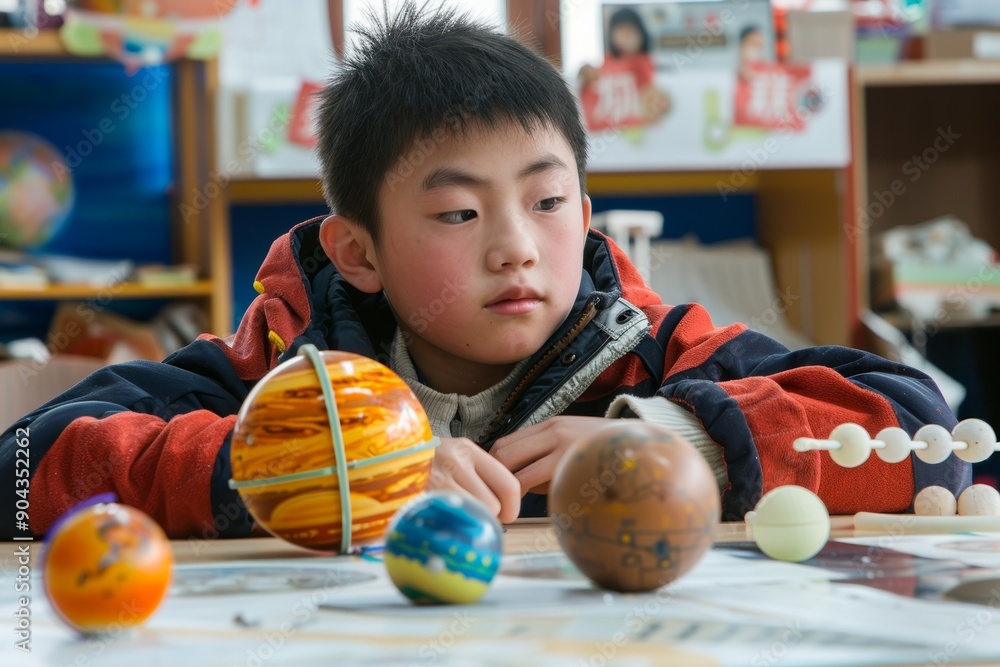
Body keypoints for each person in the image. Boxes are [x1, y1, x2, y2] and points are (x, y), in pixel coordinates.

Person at [0, 3, 970, 540]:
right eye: (459, 213)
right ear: (359, 252)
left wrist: (677, 443)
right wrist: (316, 467)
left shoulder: (656, 355)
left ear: (584, 214)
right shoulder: (282, 371)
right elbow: (19, 472)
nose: (516, 246)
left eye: (547, 202)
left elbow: (931, 438)